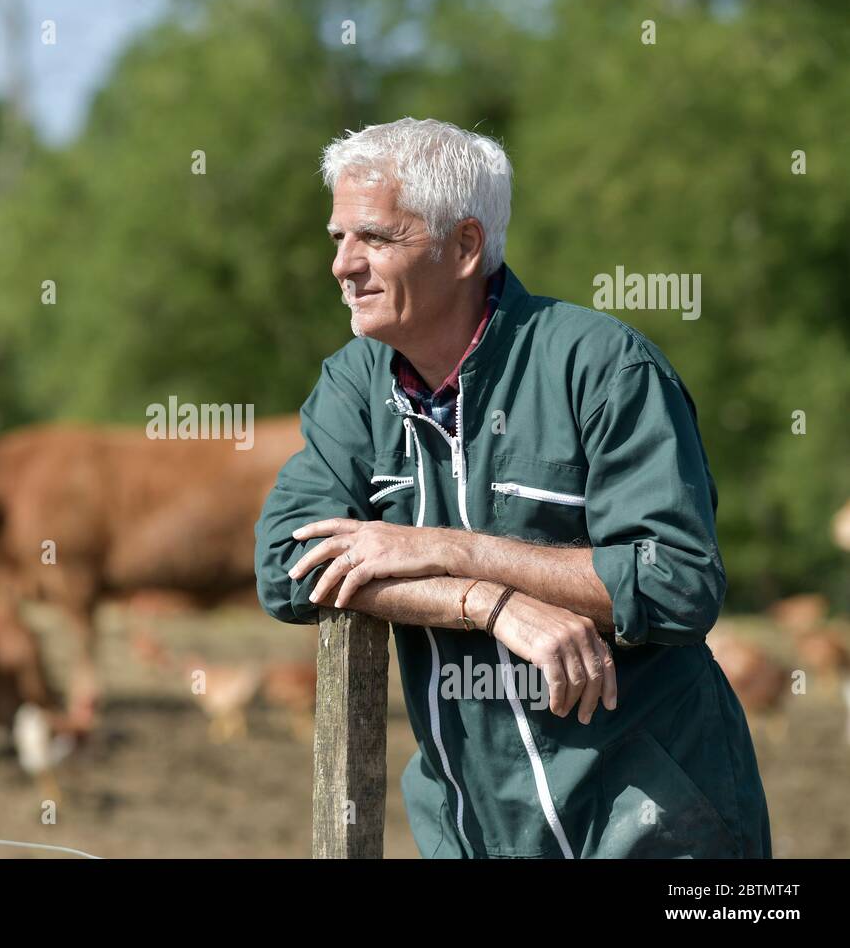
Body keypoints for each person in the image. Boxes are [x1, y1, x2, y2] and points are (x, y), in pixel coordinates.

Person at [254, 117, 771, 858]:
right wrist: (483, 603)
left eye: (374, 237)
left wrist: (445, 550)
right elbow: (286, 567)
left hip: (652, 822)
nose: (343, 264)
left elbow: (677, 581)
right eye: (338, 238)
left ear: (465, 246)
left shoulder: (604, 367)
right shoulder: (353, 384)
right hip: (469, 825)